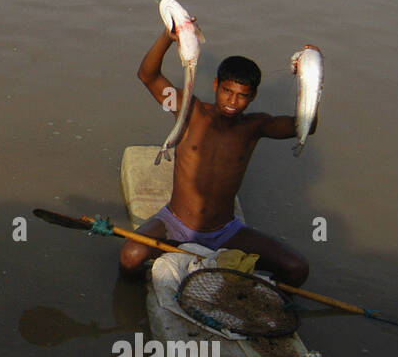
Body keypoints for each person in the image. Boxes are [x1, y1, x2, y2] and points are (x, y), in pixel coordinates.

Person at [120, 25, 315, 285]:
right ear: (216, 85)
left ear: (253, 97)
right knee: (130, 257)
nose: (232, 102)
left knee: (297, 268)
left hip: (225, 232)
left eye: (242, 96)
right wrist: (170, 35)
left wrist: (309, 79)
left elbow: (306, 126)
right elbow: (147, 75)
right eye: (227, 91)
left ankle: (258, 306)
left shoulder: (255, 127)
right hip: (175, 224)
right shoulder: (189, 110)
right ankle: (138, 303)